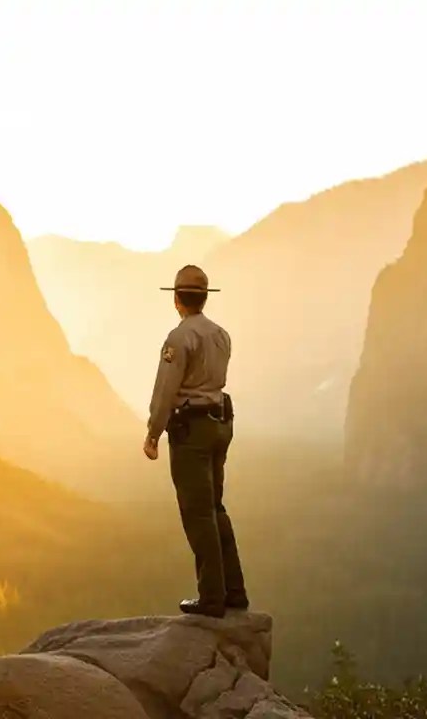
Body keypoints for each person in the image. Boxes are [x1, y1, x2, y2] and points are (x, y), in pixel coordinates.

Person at [143, 264, 249, 618]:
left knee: (197, 512)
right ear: (203, 298)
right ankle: (234, 592)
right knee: (216, 507)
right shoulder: (221, 335)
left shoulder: (178, 339)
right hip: (221, 423)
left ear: (177, 299)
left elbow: (166, 390)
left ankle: (211, 598)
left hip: (192, 429)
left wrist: (153, 433)